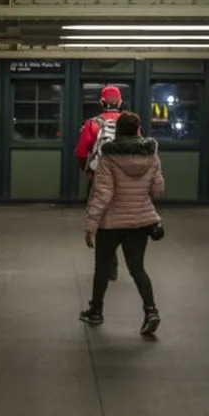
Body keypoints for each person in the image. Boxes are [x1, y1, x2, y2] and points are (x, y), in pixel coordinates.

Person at [80, 111, 164, 337]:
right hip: (141, 222)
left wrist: (91, 224)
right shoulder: (152, 156)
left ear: (117, 131)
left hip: (111, 223)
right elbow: (157, 189)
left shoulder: (109, 157)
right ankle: (151, 311)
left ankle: (96, 311)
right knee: (137, 268)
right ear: (138, 130)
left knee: (102, 267)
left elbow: (103, 194)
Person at [76, 84, 125, 280]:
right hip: (123, 182)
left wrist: (87, 170)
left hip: (99, 180)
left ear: (101, 102)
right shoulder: (130, 123)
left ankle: (106, 265)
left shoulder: (92, 124)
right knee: (122, 221)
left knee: (101, 221)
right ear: (120, 102)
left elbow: (80, 152)